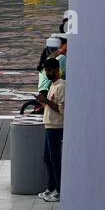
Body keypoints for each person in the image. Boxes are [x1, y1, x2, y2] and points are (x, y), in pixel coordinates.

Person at [39, 57, 65, 202]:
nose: (47, 73)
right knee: (47, 158)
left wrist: (47, 101)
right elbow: (50, 107)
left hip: (56, 127)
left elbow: (61, 109)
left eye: (49, 70)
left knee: (55, 159)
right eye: (46, 71)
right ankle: (51, 187)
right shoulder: (52, 85)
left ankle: (59, 190)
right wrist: (43, 102)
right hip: (49, 125)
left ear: (56, 70)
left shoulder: (62, 86)